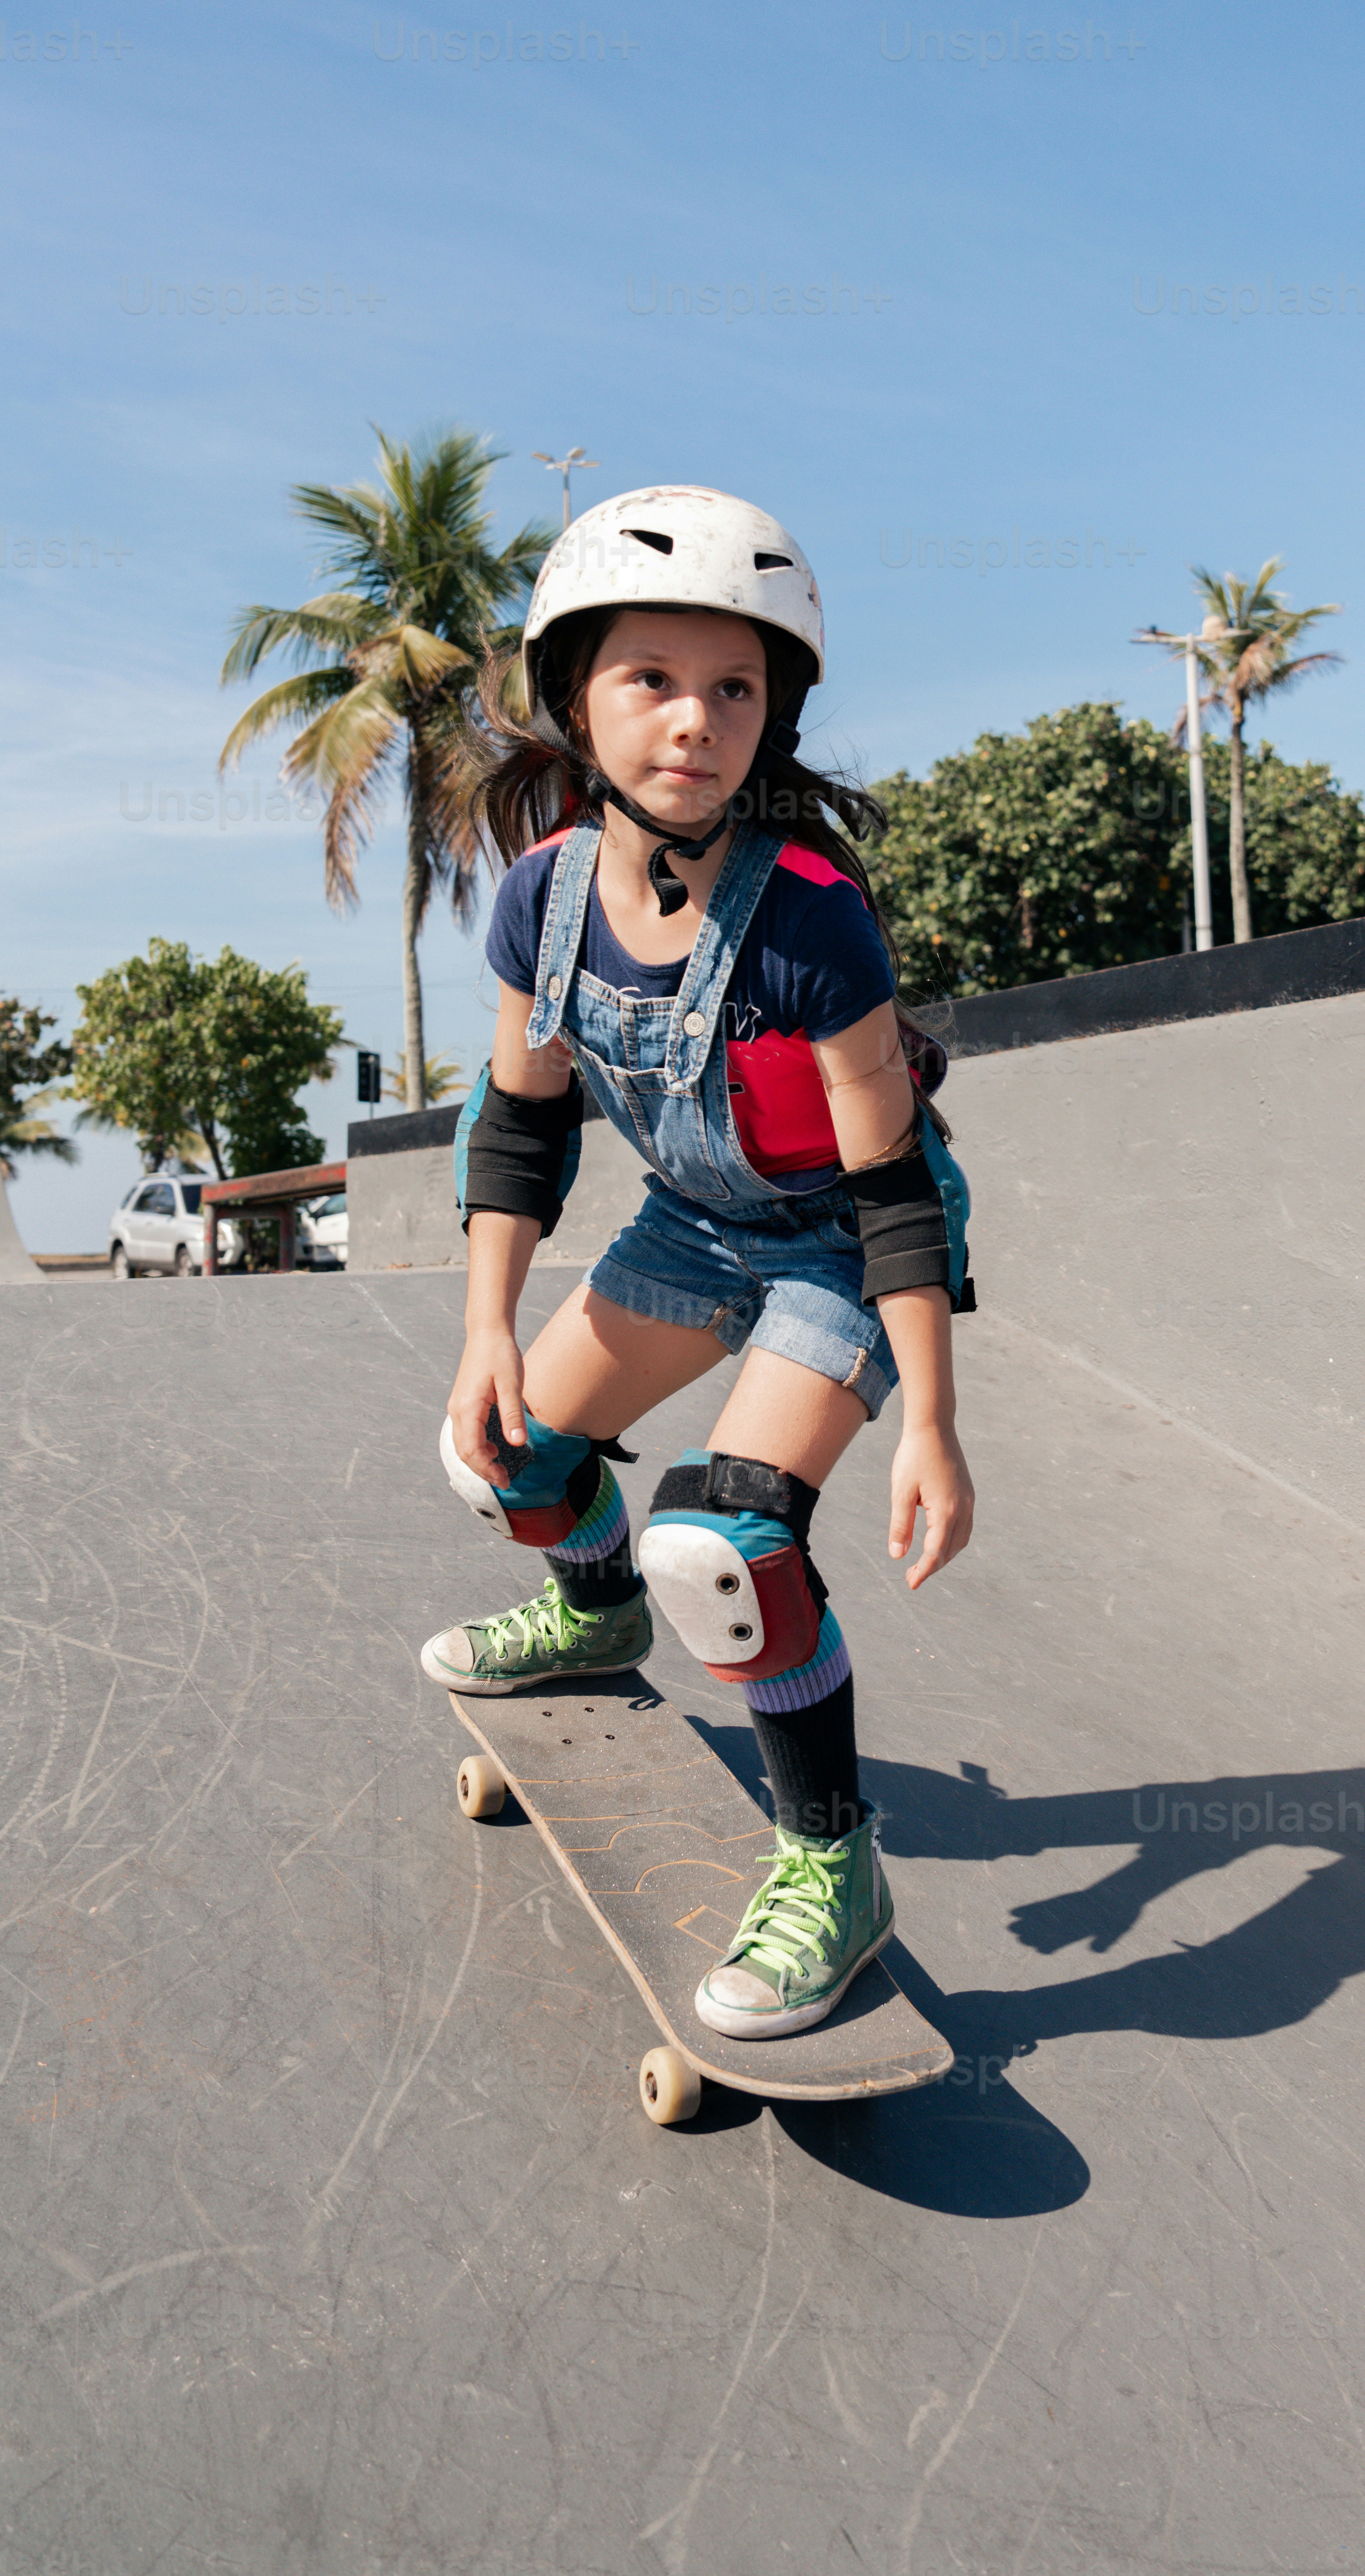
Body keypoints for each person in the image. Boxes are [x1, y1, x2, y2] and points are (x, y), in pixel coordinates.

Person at [419, 484, 975, 2039]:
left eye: (735, 686)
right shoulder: (540, 906)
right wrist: (487, 1332)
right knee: (509, 1451)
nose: (696, 720)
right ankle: (591, 1609)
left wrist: (928, 1419)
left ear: (775, 712)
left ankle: (832, 1864)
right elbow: (520, 1131)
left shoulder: (811, 922)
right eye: (651, 679)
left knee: (723, 1549)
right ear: (574, 699)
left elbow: (892, 1187)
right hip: (693, 1224)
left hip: (840, 1246)